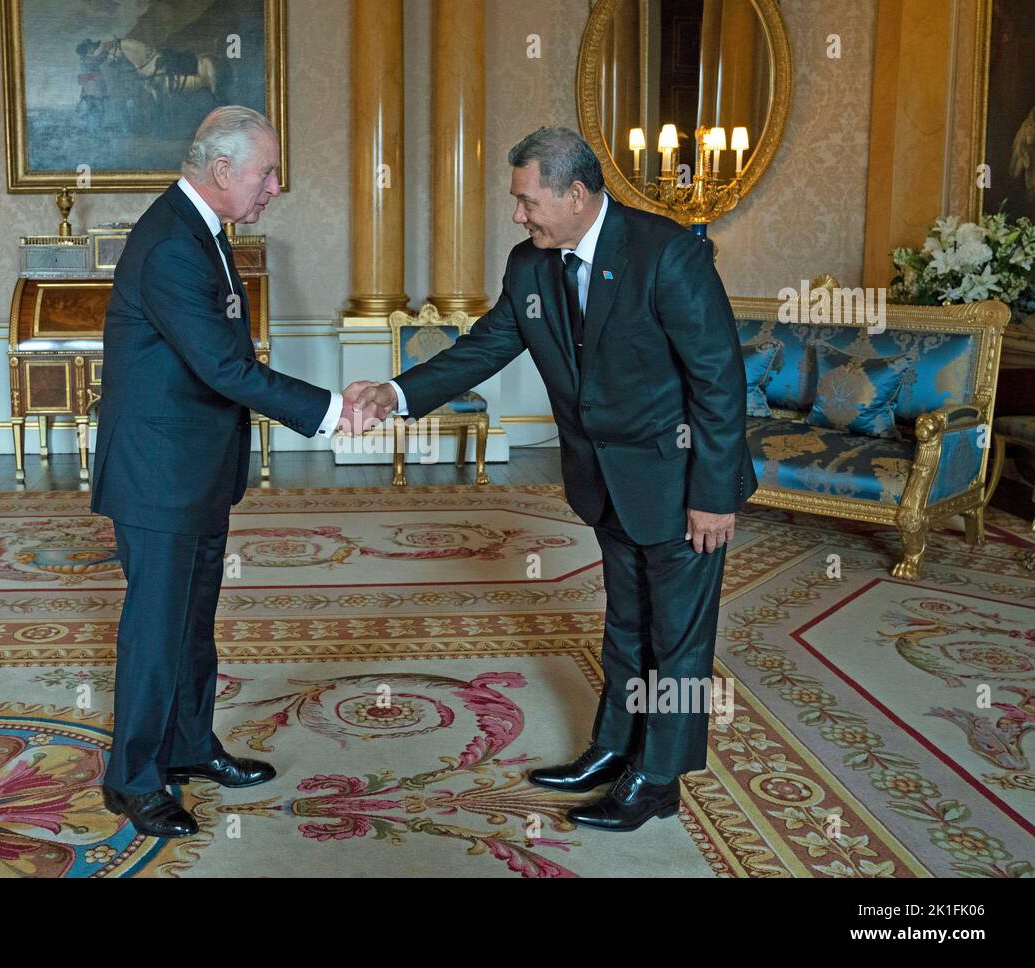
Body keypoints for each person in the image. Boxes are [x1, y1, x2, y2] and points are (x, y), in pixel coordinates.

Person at [345, 126, 756, 832]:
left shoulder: (668, 254)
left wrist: (713, 495)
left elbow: (719, 380)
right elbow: (484, 348)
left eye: (527, 200)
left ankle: (657, 779)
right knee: (628, 622)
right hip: (603, 481)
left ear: (575, 193)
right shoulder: (531, 265)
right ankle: (613, 746)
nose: (518, 215)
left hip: (679, 479)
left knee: (680, 638)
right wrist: (395, 392)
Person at [90, 105, 389, 838]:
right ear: (222, 172)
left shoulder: (205, 233)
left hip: (194, 468)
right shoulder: (169, 245)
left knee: (192, 622)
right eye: (267, 172)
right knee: (156, 631)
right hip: (158, 474)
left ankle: (189, 746)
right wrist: (328, 411)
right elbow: (226, 366)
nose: (276, 186)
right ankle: (133, 779)